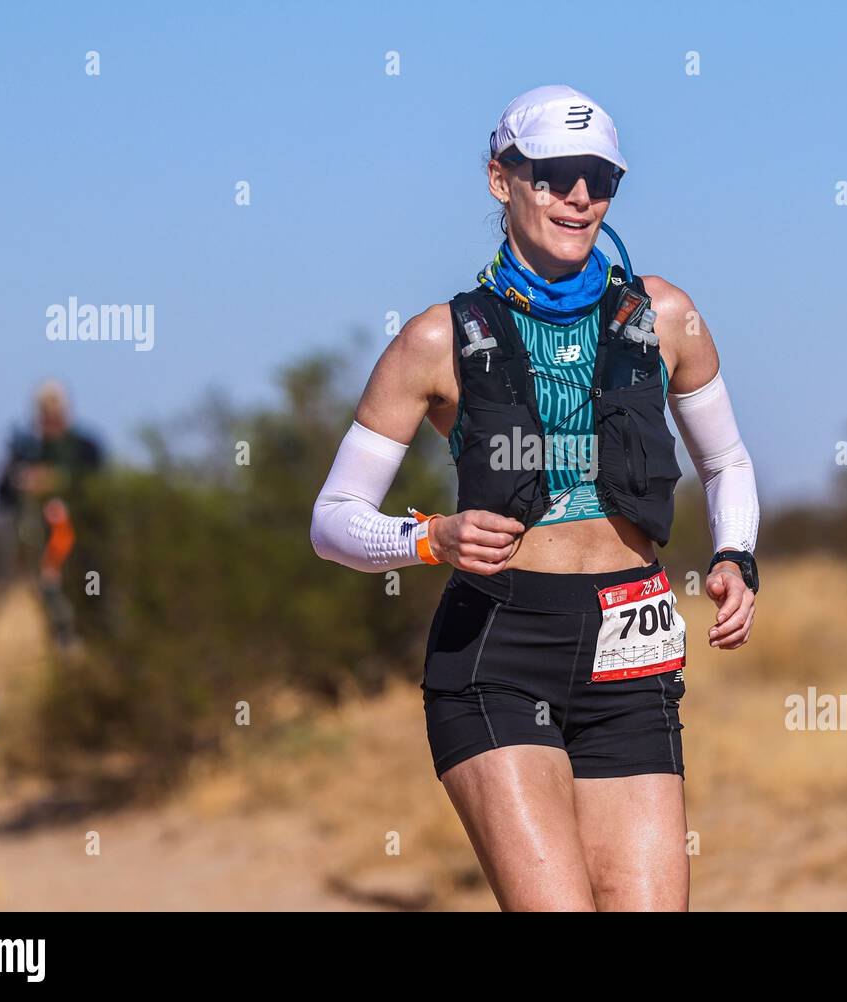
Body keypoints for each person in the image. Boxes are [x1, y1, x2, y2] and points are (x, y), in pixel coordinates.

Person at [312, 85, 759, 911]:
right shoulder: (436, 339)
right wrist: (429, 539)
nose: (579, 196)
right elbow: (331, 522)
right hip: (497, 654)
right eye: (553, 175)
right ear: (500, 179)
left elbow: (727, 462)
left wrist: (734, 555)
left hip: (633, 647)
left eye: (600, 177)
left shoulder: (665, 315)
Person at [0, 379, 104, 647]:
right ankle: (65, 647)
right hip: (41, 543)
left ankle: (96, 645)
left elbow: (98, 483)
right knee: (51, 593)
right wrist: (19, 478)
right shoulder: (27, 450)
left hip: (86, 545)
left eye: (56, 408)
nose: (50, 415)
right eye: (44, 410)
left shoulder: (85, 447)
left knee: (93, 596)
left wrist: (57, 479)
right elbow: (0, 496)